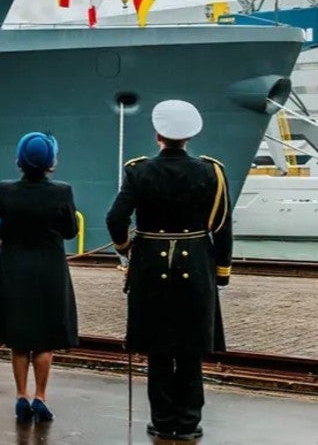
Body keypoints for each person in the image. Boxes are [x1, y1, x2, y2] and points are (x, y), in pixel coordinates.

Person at [106, 99, 232, 442]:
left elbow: (115, 218)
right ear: (189, 136)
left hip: (150, 264)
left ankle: (162, 421)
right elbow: (222, 227)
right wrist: (221, 271)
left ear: (157, 134)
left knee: (158, 347)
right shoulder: (212, 172)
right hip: (196, 262)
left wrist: (125, 248)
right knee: (191, 348)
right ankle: (188, 422)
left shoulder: (138, 171)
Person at [0, 132, 79, 424]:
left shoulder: (6, 189)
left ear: (19, 161)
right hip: (49, 269)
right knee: (45, 339)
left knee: (19, 338)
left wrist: (7, 226)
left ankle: (21, 395)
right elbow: (70, 231)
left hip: (14, 268)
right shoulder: (62, 191)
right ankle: (41, 397)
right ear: (51, 163)